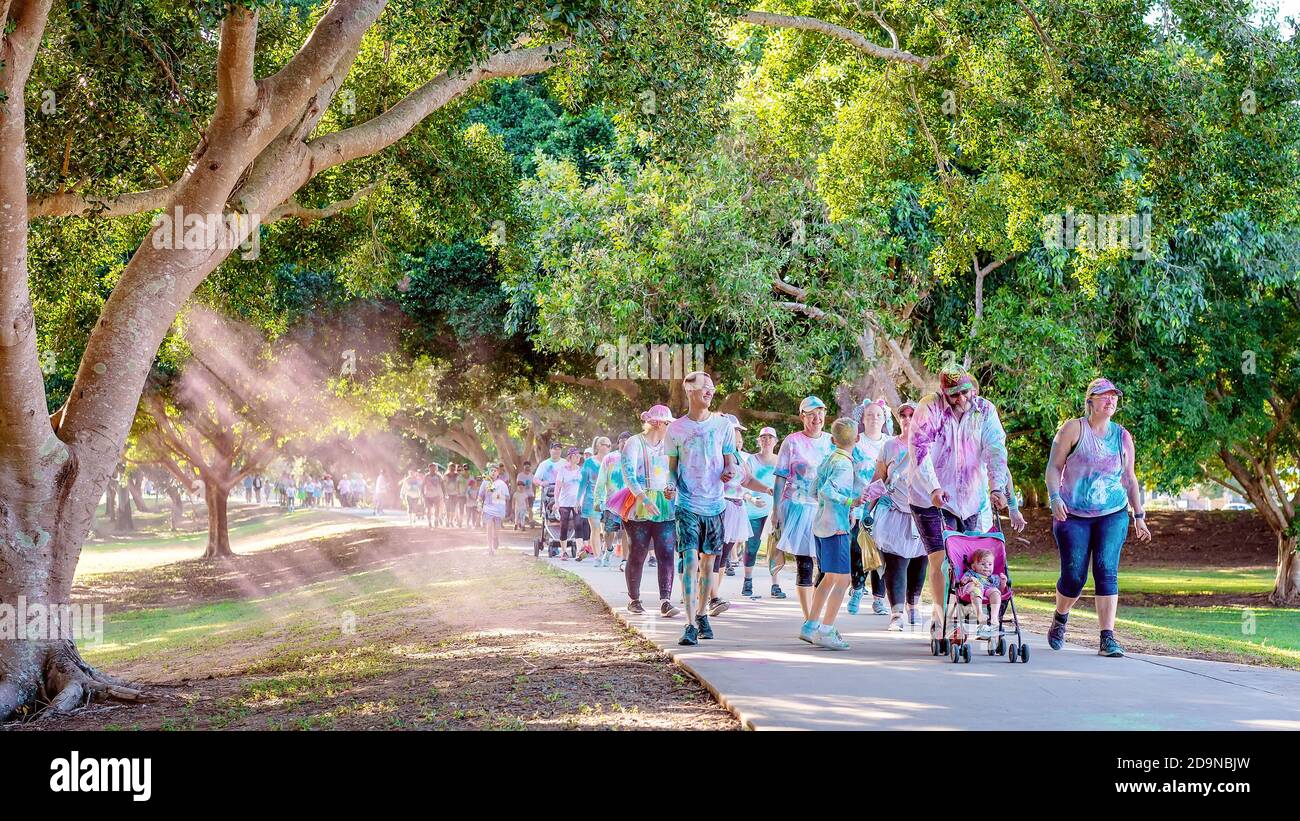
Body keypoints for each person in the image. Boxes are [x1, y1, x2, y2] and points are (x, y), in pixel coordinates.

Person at [1044, 377, 1151, 657]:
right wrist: (1054, 498)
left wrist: (1139, 515)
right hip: (1072, 513)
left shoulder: (1122, 436)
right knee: (1074, 577)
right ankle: (1061, 616)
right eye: (1105, 396)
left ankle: (1107, 638)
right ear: (1090, 401)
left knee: (1106, 570)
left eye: (1114, 397)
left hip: (1113, 513)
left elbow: (1129, 478)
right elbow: (1053, 468)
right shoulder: (1072, 429)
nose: (1111, 401)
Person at [908, 371, 1012, 630]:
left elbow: (996, 449)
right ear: (944, 393)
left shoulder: (985, 410)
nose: (962, 398)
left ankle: (967, 615)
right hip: (930, 498)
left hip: (971, 499)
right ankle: (940, 617)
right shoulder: (929, 408)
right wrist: (933, 487)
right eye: (954, 394)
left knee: (968, 560)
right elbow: (920, 451)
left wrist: (997, 487)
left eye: (966, 392)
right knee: (942, 561)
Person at [666, 371, 739, 646]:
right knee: (690, 561)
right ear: (689, 391)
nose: (709, 391)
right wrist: (670, 486)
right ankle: (689, 624)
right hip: (687, 503)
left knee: (709, 564)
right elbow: (671, 470)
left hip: (716, 504)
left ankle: (702, 613)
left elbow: (730, 462)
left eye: (711, 387)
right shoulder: (676, 429)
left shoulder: (723, 426)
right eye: (703, 387)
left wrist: (729, 471)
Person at [801, 418, 865, 649]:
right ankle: (826, 631)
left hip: (820, 524)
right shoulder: (845, 464)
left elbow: (813, 490)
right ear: (857, 439)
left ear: (832, 439)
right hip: (836, 527)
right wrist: (851, 501)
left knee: (828, 578)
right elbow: (828, 491)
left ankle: (811, 625)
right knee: (843, 580)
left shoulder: (829, 459)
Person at [867, 401, 928, 631]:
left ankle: (914, 608)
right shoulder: (889, 447)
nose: (907, 418)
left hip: (922, 514)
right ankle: (896, 614)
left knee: (920, 564)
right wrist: (867, 508)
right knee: (896, 564)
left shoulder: (929, 444)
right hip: (895, 513)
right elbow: (879, 479)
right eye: (903, 415)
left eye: (912, 415)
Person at [773, 396, 835, 623]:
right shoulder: (792, 441)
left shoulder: (831, 441)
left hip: (825, 510)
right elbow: (780, 477)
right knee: (805, 563)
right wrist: (775, 510)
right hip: (798, 507)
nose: (817, 418)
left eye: (820, 413)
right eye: (811, 414)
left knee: (826, 566)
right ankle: (810, 619)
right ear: (802, 417)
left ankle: (817, 613)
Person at [621, 405, 680, 617]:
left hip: (664, 504)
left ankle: (665, 600)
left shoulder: (670, 445)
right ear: (656, 423)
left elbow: (674, 472)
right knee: (638, 551)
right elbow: (628, 474)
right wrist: (643, 498)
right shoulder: (634, 442)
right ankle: (634, 599)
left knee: (666, 551)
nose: (670, 427)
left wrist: (672, 488)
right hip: (639, 502)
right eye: (668, 423)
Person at [740, 426, 777, 598]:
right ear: (759, 441)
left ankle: (775, 584)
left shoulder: (780, 461)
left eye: (770, 437)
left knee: (775, 548)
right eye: (763, 437)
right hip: (754, 510)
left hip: (774, 512)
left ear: (776, 441)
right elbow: (743, 485)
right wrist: (751, 499)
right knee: (751, 547)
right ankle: (747, 581)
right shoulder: (751, 461)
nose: (767, 440)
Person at [595, 433, 631, 570]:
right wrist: (598, 500)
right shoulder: (609, 458)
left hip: (629, 502)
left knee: (627, 532)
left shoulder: (635, 457)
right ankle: (609, 550)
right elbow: (601, 480)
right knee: (609, 532)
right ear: (618, 443)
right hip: (611, 502)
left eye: (627, 441)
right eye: (622, 441)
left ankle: (624, 560)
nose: (624, 443)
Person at [957, 548, 1007, 638]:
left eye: (990, 564)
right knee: (975, 589)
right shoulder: (971, 573)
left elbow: (1001, 591)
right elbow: (962, 582)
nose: (987, 566)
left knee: (996, 592)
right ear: (973, 567)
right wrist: (967, 580)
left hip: (988, 591)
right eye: (983, 564)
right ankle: (980, 614)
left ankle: (994, 617)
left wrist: (1003, 582)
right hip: (974, 591)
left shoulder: (994, 578)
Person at [553, 447, 586, 560]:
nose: (578, 457)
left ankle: (579, 552)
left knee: (578, 525)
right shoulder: (562, 470)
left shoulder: (581, 470)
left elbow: (584, 487)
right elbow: (557, 487)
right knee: (564, 526)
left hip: (577, 503)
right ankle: (563, 551)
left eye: (579, 456)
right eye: (576, 455)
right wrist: (556, 501)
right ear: (570, 457)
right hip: (564, 502)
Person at [579, 438, 609, 561]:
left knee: (608, 530)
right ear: (598, 446)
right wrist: (577, 500)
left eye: (609, 445)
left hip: (608, 500)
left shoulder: (611, 461)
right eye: (605, 445)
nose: (608, 447)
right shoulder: (589, 462)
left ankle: (606, 552)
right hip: (591, 500)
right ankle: (597, 557)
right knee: (595, 528)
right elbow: (583, 483)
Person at [482, 464, 510, 556]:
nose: (493, 472)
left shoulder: (502, 484)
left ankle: (496, 538)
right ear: (489, 472)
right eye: (491, 471)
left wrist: (497, 495)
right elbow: (480, 495)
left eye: (495, 471)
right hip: (488, 508)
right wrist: (479, 504)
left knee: (496, 528)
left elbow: (507, 497)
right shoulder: (485, 483)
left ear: (498, 472)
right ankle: (490, 549)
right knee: (489, 526)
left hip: (498, 509)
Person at [421, 463, 444, 528]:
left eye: (434, 468)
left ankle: (436, 520)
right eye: (431, 468)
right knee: (428, 509)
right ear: (429, 469)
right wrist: (422, 494)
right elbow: (422, 485)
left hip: (437, 495)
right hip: (428, 496)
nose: (433, 469)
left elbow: (442, 485)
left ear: (436, 469)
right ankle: (429, 522)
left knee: (437, 509)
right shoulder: (426, 476)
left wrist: (444, 493)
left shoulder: (439, 476)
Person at [518, 461, 536, 528]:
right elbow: (518, 484)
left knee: (530, 509)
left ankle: (531, 521)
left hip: (530, 495)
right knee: (522, 509)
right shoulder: (520, 475)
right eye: (526, 467)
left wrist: (534, 494)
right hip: (522, 495)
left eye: (528, 467)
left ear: (530, 467)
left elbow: (534, 485)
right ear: (523, 467)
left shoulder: (532, 476)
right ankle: (520, 522)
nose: (527, 468)